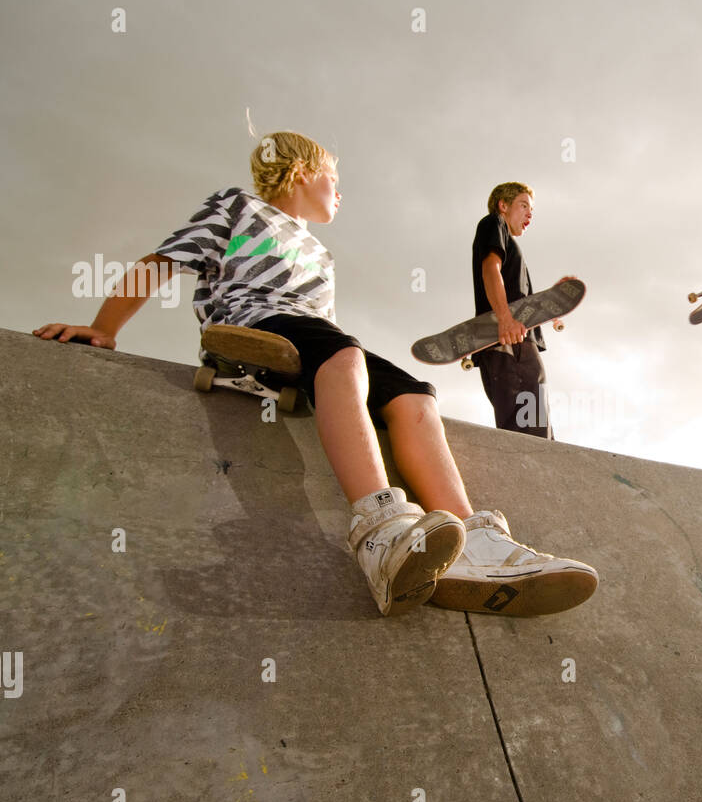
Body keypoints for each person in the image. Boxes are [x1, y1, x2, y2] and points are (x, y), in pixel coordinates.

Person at [34, 132, 597, 617]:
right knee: (345, 354)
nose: (341, 193)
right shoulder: (237, 208)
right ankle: (380, 531)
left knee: (414, 394)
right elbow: (162, 261)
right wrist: (104, 328)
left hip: (313, 342)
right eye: (335, 179)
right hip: (252, 321)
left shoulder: (320, 254)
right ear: (303, 173)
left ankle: (473, 541)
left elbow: (328, 340)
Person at [470, 182, 559, 437]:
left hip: (517, 342)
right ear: (503, 205)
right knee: (528, 429)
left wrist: (556, 300)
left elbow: (520, 297)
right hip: (510, 342)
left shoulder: (511, 244)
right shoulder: (493, 223)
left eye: (532, 210)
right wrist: (505, 319)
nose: (530, 214)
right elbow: (490, 269)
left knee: (537, 426)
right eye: (523, 206)